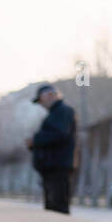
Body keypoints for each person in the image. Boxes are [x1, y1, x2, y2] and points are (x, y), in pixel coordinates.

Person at [25, 84, 77, 215]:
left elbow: (59, 134)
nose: (41, 105)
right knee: (52, 209)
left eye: (41, 100)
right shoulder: (55, 113)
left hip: (58, 167)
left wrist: (36, 140)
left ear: (49, 95)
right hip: (52, 168)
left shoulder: (63, 111)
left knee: (57, 209)